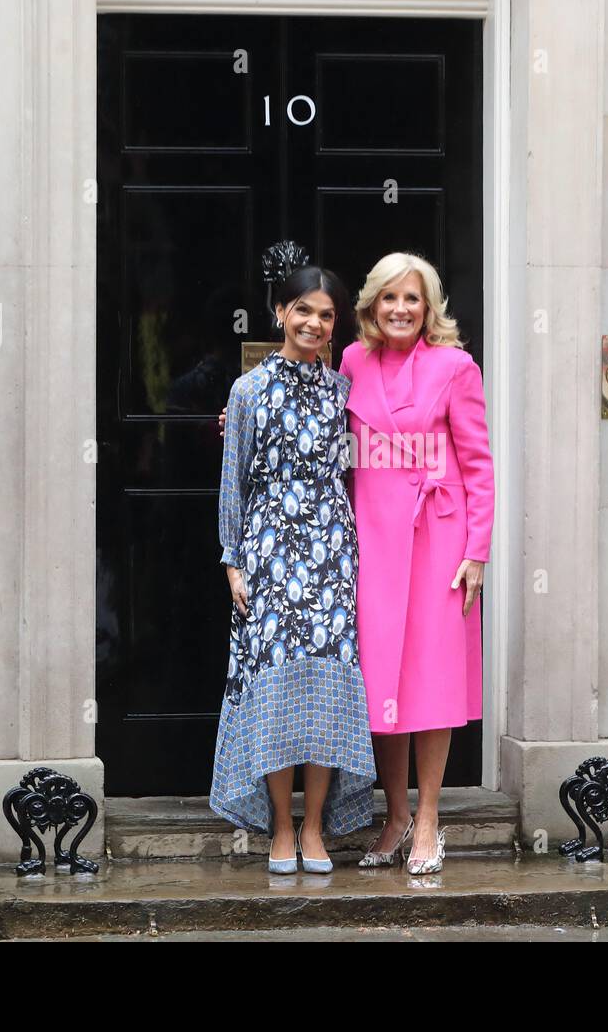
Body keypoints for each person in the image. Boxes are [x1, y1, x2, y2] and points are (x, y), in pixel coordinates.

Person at [211, 260, 376, 874]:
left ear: (337, 326)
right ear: (280, 313)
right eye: (302, 310)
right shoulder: (248, 391)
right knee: (277, 693)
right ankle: (281, 827)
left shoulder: (343, 392)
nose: (313, 322)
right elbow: (233, 482)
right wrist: (233, 564)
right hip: (270, 554)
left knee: (327, 691)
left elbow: (364, 470)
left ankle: (314, 829)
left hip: (332, 553)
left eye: (325, 314)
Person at [340, 252, 494, 875]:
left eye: (412, 299)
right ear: (372, 306)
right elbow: (313, 417)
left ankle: (429, 816)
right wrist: (238, 419)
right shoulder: (351, 361)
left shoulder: (456, 367)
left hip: (438, 542)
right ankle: (395, 813)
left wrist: (476, 552)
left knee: (430, 684)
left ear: (429, 308)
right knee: (382, 685)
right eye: (389, 298)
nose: (400, 309)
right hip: (371, 540)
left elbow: (479, 464)